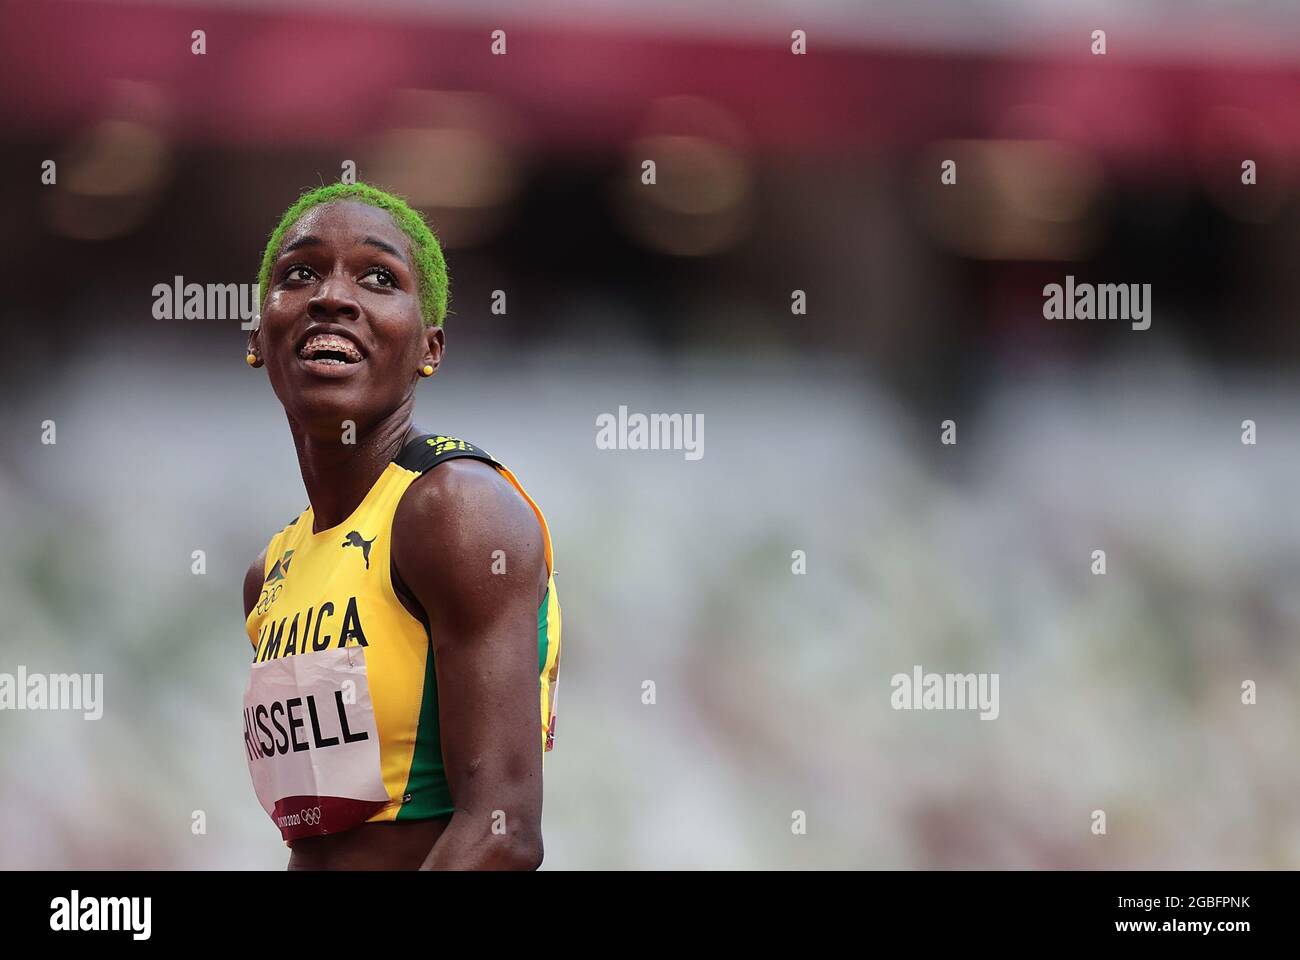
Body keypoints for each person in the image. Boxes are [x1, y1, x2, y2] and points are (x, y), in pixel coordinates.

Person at [240, 182, 561, 870]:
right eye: (300, 273)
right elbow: (319, 843)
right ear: (257, 338)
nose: (331, 296)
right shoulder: (271, 574)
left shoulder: (455, 511)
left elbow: (502, 834)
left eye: (379, 278)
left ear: (430, 346)